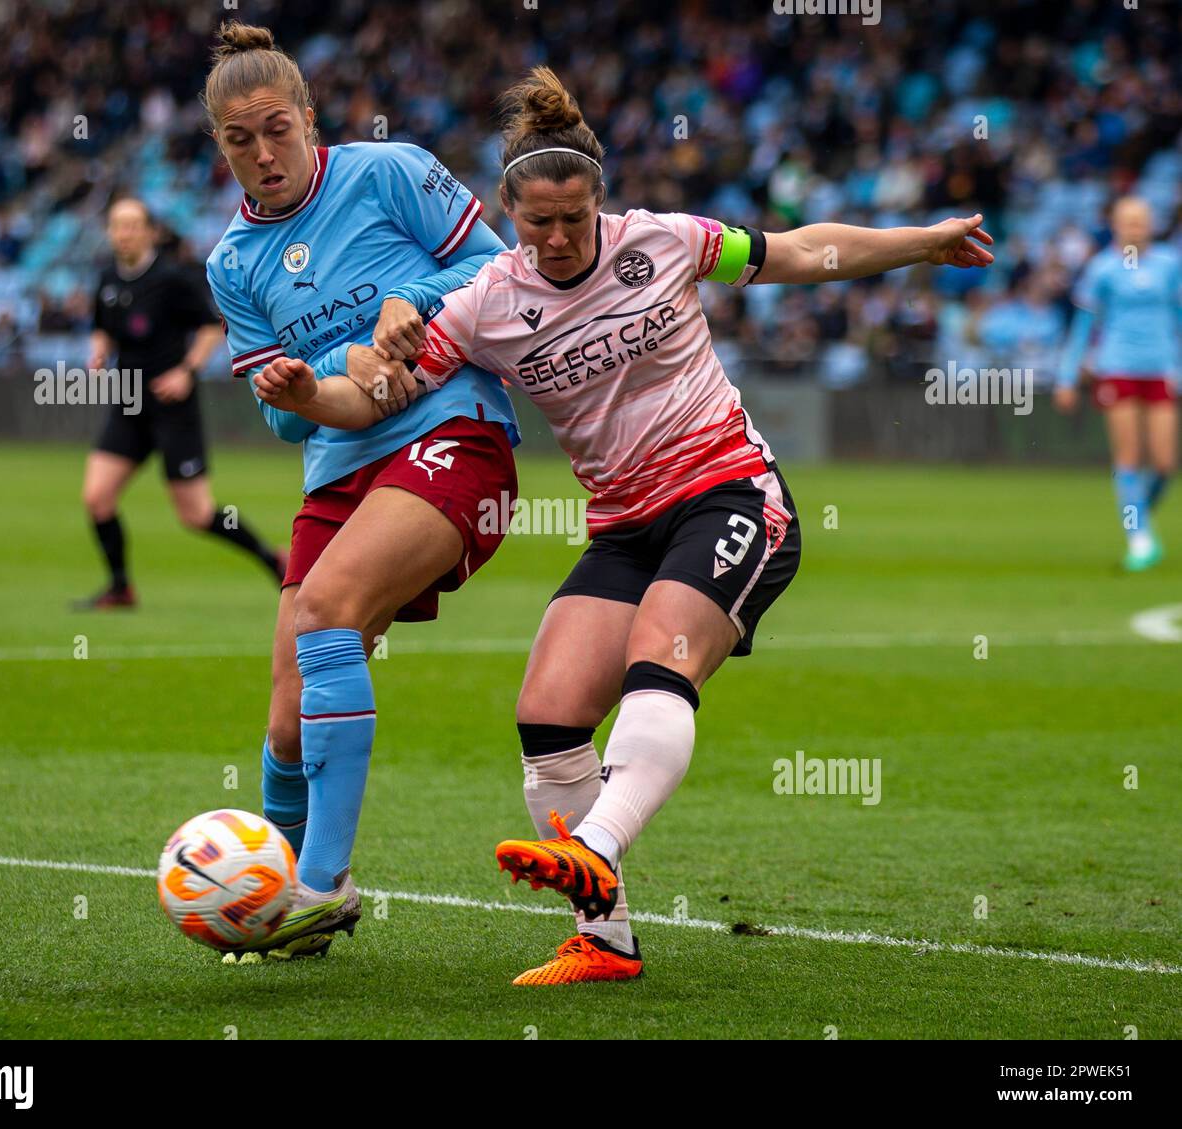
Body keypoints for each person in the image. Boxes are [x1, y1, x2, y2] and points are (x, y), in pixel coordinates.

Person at [261, 67, 994, 984]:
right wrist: (324, 385)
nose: (560, 239)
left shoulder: (667, 241)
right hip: (624, 526)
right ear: (510, 214)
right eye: (539, 223)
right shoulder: (487, 302)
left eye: (575, 219)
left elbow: (801, 252)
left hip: (732, 494)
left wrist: (922, 242)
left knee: (661, 657)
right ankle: (604, 941)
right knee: (549, 716)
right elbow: (375, 395)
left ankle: (598, 844)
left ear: (601, 204)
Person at [200, 22, 521, 962]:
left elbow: (502, 267)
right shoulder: (232, 265)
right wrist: (300, 396)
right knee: (284, 717)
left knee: (329, 610)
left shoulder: (389, 173)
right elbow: (296, 420)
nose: (263, 154)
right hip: (340, 467)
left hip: (452, 433)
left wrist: (411, 303)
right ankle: (290, 898)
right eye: (238, 141)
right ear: (218, 147)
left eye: (276, 130)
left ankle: (322, 885)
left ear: (308, 118)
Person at [78, 197, 285, 609]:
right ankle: (121, 588)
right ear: (109, 232)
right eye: (118, 225)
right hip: (129, 402)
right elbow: (103, 330)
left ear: (150, 231)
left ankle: (273, 560)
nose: (125, 232)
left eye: (134, 224)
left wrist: (185, 371)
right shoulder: (106, 279)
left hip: (172, 408)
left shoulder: (172, 278)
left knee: (196, 514)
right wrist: (98, 353)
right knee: (97, 497)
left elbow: (211, 328)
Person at [1056, 197, 1180, 571]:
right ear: (1116, 226)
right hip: (1117, 368)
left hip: (1160, 368)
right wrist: (1066, 375)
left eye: (1140, 222)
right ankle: (1138, 538)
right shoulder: (1102, 269)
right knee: (1128, 457)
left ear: (1150, 225)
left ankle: (1138, 513)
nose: (1134, 228)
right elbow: (1083, 327)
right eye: (1127, 222)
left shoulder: (1170, 265)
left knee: (1164, 463)